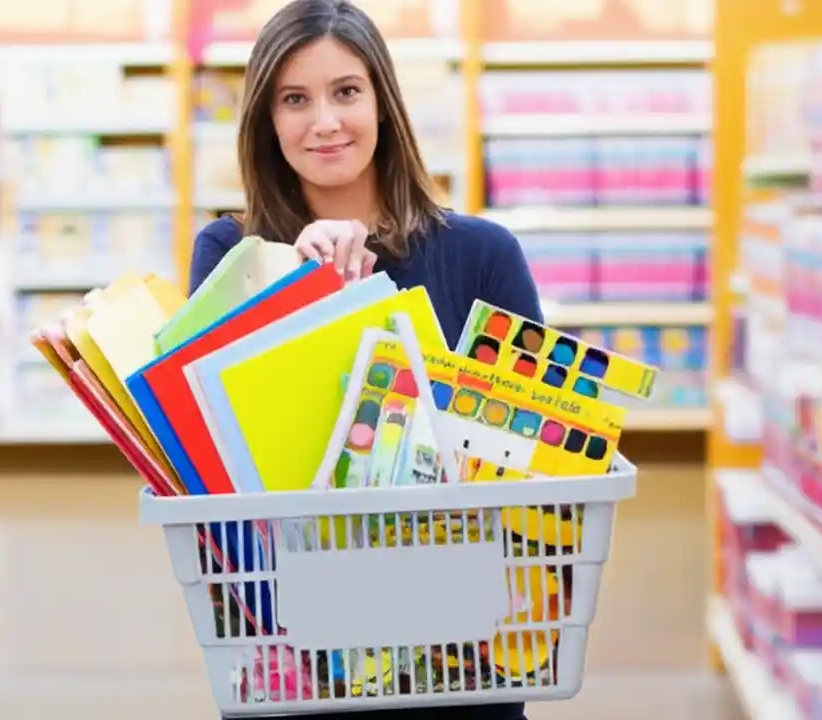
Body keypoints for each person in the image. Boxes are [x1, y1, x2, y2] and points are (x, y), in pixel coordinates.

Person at [186, 1, 540, 719]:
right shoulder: (232, 257)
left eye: (346, 91)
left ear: (383, 102)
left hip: (462, 650)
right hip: (293, 644)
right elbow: (213, 461)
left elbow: (533, 451)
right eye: (294, 99)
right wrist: (293, 288)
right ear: (265, 121)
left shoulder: (482, 255)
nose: (325, 121)